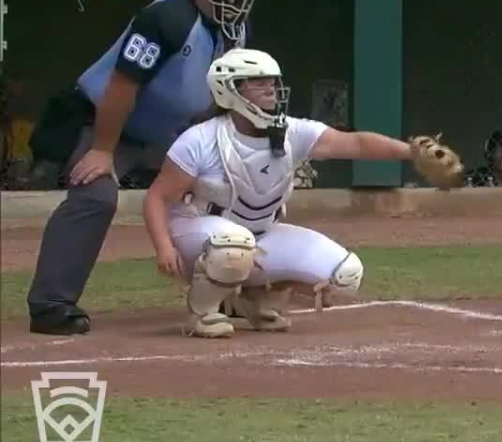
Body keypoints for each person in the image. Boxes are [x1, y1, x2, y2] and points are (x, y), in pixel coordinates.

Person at [142, 48, 462, 338]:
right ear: (231, 90)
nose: (271, 88)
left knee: (344, 275)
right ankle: (203, 313)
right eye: (258, 82)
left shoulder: (291, 131)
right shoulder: (200, 140)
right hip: (197, 232)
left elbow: (354, 143)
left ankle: (254, 299)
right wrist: (163, 248)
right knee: (234, 246)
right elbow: (157, 197)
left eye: (272, 81)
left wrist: (410, 152)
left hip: (260, 232)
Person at [25, 0, 259, 336]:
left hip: (165, 131)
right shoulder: (165, 17)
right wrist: (103, 150)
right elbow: (122, 85)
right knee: (95, 195)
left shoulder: (232, 28)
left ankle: (224, 290)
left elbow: (218, 95)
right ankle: (51, 304)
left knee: (232, 183)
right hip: (101, 121)